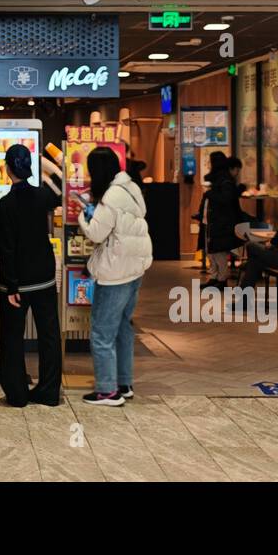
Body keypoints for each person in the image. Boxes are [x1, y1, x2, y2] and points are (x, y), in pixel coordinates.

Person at [78, 146, 153, 406]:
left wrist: (83, 215)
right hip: (134, 269)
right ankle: (124, 382)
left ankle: (107, 391)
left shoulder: (110, 196)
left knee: (101, 333)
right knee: (122, 327)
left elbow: (96, 234)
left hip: (115, 273)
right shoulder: (130, 188)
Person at [0, 143, 62, 407]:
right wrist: (51, 163)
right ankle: (48, 392)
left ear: (8, 169)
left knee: (12, 338)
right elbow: (61, 184)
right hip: (44, 277)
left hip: (17, 284)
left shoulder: (4, 205)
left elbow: (6, 249)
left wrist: (11, 287)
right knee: (49, 334)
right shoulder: (43, 197)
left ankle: (17, 393)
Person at [201, 151, 244, 289]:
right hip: (217, 220)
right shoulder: (224, 179)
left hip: (220, 221)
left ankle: (221, 279)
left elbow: (225, 199)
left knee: (218, 251)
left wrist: (209, 194)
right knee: (213, 250)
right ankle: (216, 277)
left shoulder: (222, 180)